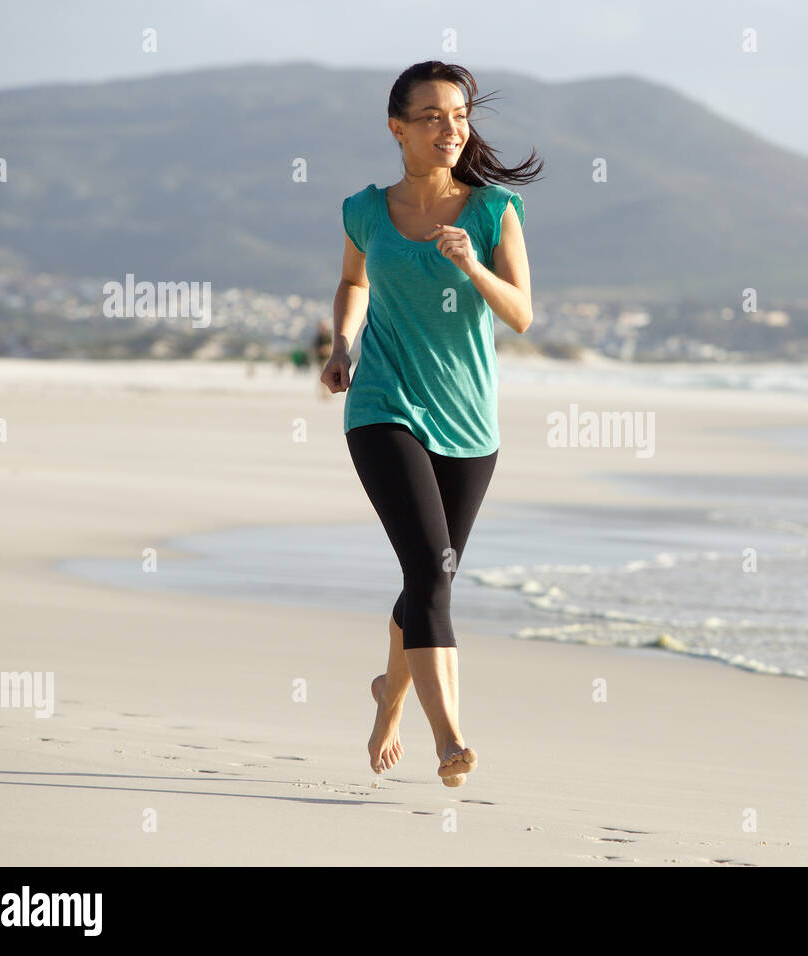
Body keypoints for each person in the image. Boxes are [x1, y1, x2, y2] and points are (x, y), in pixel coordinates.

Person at [321, 61, 541, 787]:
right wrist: (343, 344)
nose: (451, 129)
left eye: (460, 115)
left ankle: (389, 698)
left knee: (431, 578)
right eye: (433, 117)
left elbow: (521, 316)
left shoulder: (493, 210)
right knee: (427, 572)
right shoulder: (364, 209)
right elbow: (354, 281)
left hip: (469, 423)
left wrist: (473, 266)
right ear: (398, 129)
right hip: (382, 405)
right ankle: (450, 739)